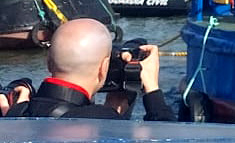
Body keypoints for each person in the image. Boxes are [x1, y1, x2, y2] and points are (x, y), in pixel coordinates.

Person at [4, 18, 173, 120]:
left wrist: (113, 107)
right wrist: (152, 90)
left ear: (48, 62)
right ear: (104, 67)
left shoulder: (16, 112)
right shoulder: (98, 121)